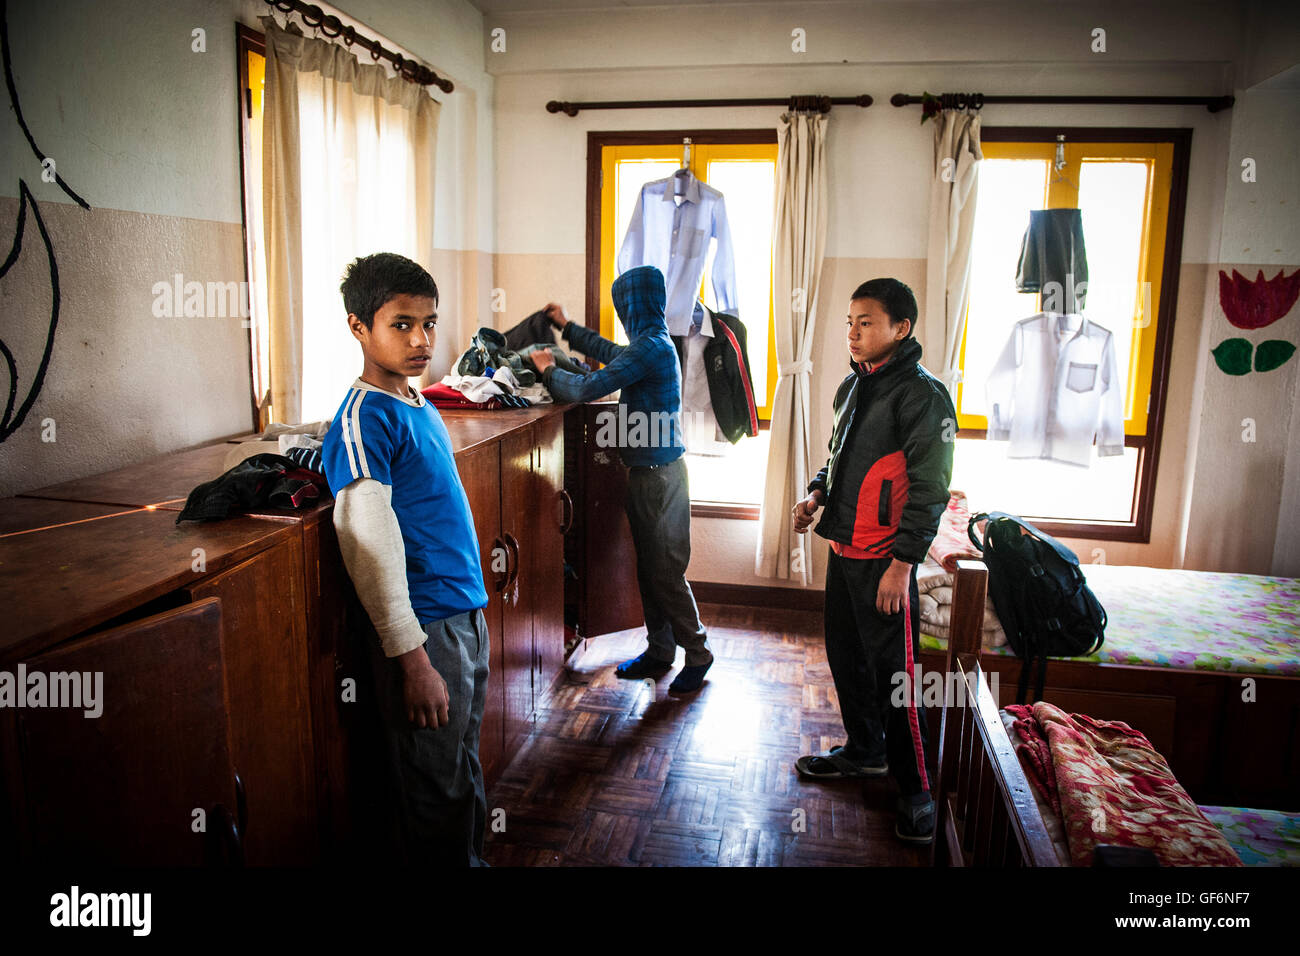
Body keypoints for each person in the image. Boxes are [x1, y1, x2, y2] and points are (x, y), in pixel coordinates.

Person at [321, 252, 491, 866]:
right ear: (358, 327)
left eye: (429, 323)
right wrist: (412, 656)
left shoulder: (417, 404)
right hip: (426, 632)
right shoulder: (363, 417)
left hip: (465, 614)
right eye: (401, 324)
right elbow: (366, 539)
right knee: (434, 787)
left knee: (462, 763)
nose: (421, 340)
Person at [791, 278, 955, 846]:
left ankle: (918, 793)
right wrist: (815, 496)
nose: (853, 333)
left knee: (897, 681)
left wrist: (902, 565)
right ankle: (865, 754)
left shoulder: (924, 396)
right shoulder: (851, 387)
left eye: (866, 322)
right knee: (848, 661)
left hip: (886, 563)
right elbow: (839, 461)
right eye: (849, 322)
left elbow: (932, 490)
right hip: (845, 550)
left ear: (900, 328)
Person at [530, 265, 714, 693]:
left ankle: (699, 653)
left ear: (632, 305)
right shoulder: (650, 344)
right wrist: (567, 327)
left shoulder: (652, 347)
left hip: (661, 481)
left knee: (665, 574)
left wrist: (547, 370)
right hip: (649, 477)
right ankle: (660, 652)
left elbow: (585, 388)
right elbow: (612, 353)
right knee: (650, 572)